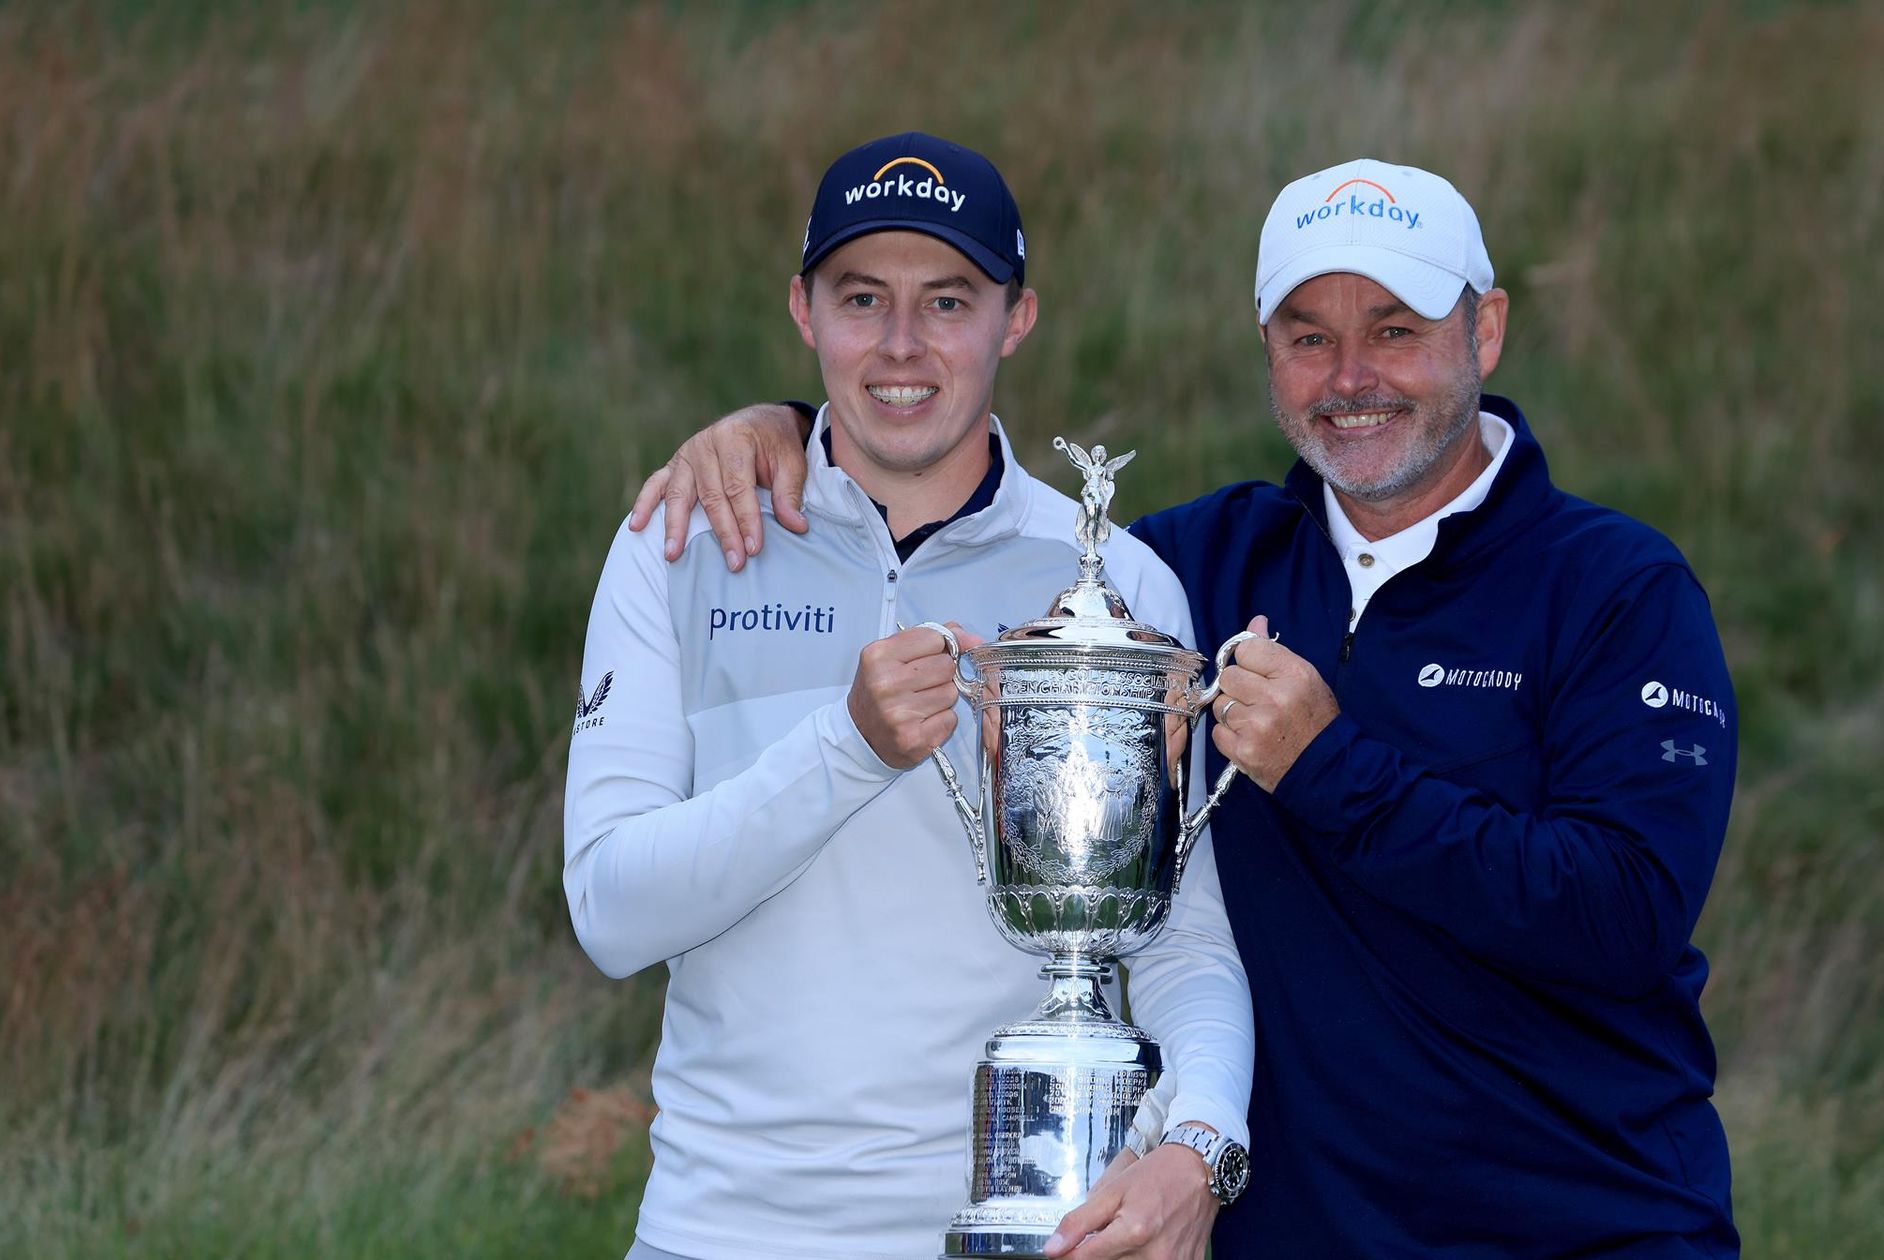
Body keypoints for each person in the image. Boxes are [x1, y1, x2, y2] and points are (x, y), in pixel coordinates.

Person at [633, 157, 1743, 1258]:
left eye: (1396, 330)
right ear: (1268, 351)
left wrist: (1330, 769)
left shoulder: (1617, 590)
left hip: (1587, 1225)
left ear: (1486, 330)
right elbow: (977, 498)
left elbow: (1627, 915)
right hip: (1295, 1237)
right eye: (1308, 336)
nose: (1351, 376)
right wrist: (789, 435)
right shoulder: (1190, 570)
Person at [565, 132, 1254, 1260]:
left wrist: (1200, 1140)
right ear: (803, 310)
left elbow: (1183, 946)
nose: (900, 345)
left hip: (1034, 1232)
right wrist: (846, 747)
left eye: (946, 302)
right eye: (861, 298)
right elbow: (609, 913)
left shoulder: (1117, 585)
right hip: (722, 1232)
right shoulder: (681, 546)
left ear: (1013, 319)